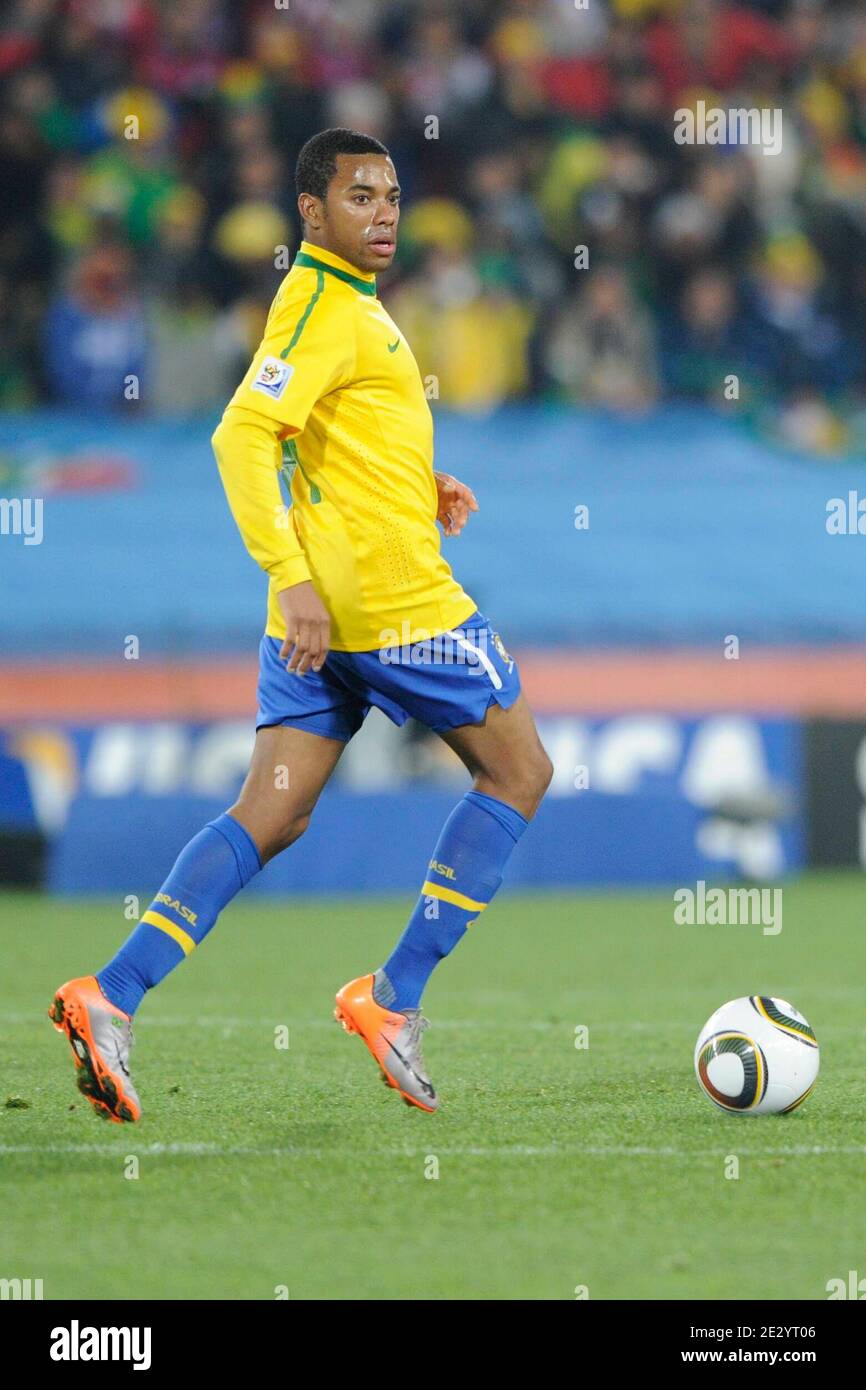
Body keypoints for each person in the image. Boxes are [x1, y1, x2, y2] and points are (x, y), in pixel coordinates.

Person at [48, 128, 553, 1120]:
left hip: (321, 623)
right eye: (360, 196)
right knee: (519, 769)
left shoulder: (334, 304)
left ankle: (111, 992)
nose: (384, 214)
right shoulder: (323, 298)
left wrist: (416, 486)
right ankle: (393, 995)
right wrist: (291, 573)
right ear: (311, 213)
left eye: (394, 197)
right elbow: (242, 433)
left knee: (270, 814)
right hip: (388, 608)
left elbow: (325, 433)